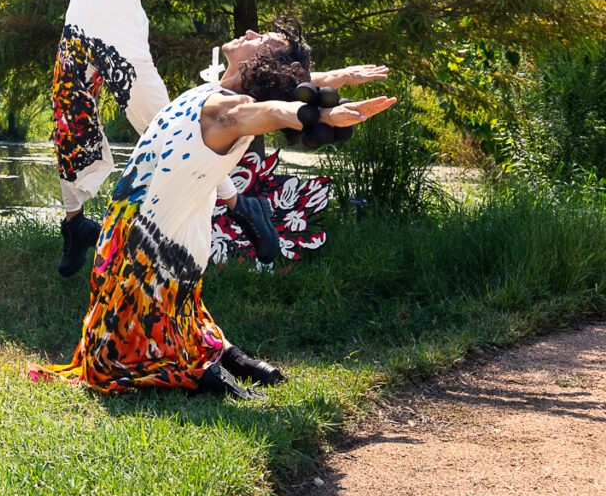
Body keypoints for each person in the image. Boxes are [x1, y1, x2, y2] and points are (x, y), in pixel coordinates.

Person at [32, 21, 396, 396]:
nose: (251, 33)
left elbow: (272, 110)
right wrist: (342, 78)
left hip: (141, 248)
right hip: (170, 245)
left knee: (105, 362)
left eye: (262, 40)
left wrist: (319, 117)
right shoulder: (224, 91)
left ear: (261, 65)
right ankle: (230, 358)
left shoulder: (230, 110)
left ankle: (201, 376)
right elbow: (277, 93)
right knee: (179, 317)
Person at [51, 0, 384, 277]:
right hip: (74, 39)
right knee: (66, 131)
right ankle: (76, 224)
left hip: (119, 46)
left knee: (166, 127)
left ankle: (239, 204)